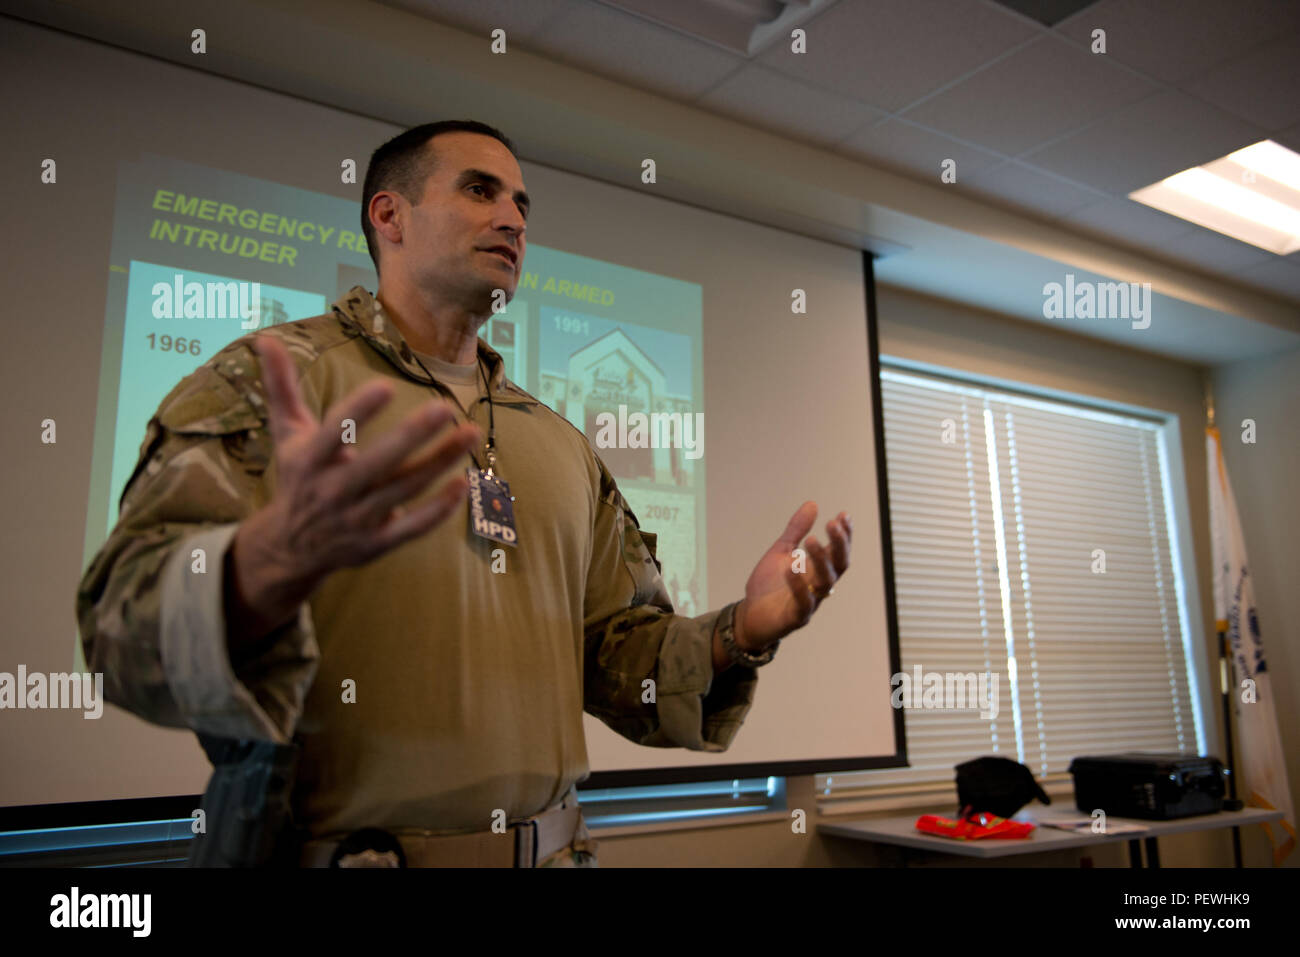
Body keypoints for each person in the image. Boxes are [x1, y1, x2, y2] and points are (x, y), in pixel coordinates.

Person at [75, 120, 853, 867]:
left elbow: (614, 657)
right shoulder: (275, 380)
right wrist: (254, 569)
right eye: (480, 190)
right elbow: (118, 631)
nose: (512, 218)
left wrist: (741, 631)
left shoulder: (559, 442)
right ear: (390, 215)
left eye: (521, 204)